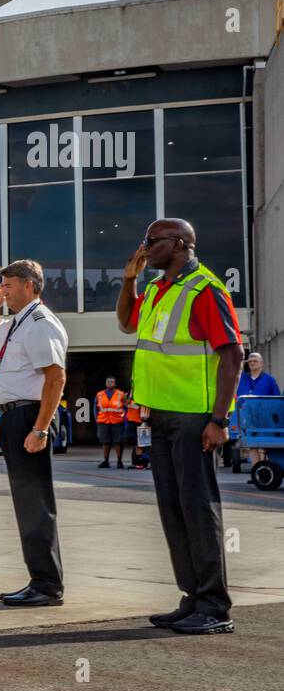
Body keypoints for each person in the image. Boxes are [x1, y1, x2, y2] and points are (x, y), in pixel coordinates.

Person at [117, 218, 242, 635]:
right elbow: (126, 324)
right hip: (162, 416)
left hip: (193, 418)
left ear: (178, 244)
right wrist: (129, 280)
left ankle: (214, 606)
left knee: (198, 509)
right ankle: (191, 597)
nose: (145, 247)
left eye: (151, 242)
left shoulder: (204, 290)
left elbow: (232, 356)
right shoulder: (155, 288)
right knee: (173, 510)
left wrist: (218, 420)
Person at [0, 260, 68, 607]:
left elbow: (55, 378)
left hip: (29, 416)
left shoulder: (39, 323)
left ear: (31, 286)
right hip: (14, 417)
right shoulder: (17, 323)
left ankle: (47, 586)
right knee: (25, 503)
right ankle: (39, 579)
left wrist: (40, 428)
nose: (4, 291)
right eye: (2, 286)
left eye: (10, 285)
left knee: (36, 504)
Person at [236, 352, 279, 470]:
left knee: (262, 445)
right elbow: (234, 368)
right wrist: (241, 361)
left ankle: (264, 470)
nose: (252, 363)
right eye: (250, 361)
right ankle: (256, 472)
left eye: (255, 361)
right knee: (251, 445)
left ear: (261, 363)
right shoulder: (242, 378)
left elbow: (276, 399)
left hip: (264, 417)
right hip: (247, 416)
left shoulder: (269, 380)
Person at [95, 376, 126, 468]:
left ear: (115, 384)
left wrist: (125, 420)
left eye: (111, 382)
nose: (109, 383)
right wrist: (96, 418)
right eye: (107, 381)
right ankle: (106, 461)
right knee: (105, 442)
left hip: (117, 421)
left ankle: (119, 461)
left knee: (118, 442)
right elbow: (95, 408)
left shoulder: (121, 394)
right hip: (103, 421)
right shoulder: (99, 394)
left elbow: (126, 407)